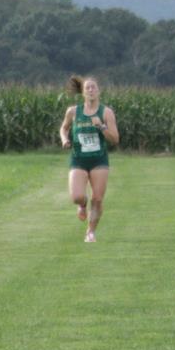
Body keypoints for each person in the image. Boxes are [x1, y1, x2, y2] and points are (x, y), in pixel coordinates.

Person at [58, 75, 118, 243]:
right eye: (87, 88)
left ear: (98, 91)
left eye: (93, 87)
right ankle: (82, 205)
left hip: (99, 160)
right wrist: (64, 139)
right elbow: (63, 128)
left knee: (97, 199)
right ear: (83, 93)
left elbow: (115, 139)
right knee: (76, 196)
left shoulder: (106, 112)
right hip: (78, 159)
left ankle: (90, 232)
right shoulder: (73, 111)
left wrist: (102, 126)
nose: (91, 90)